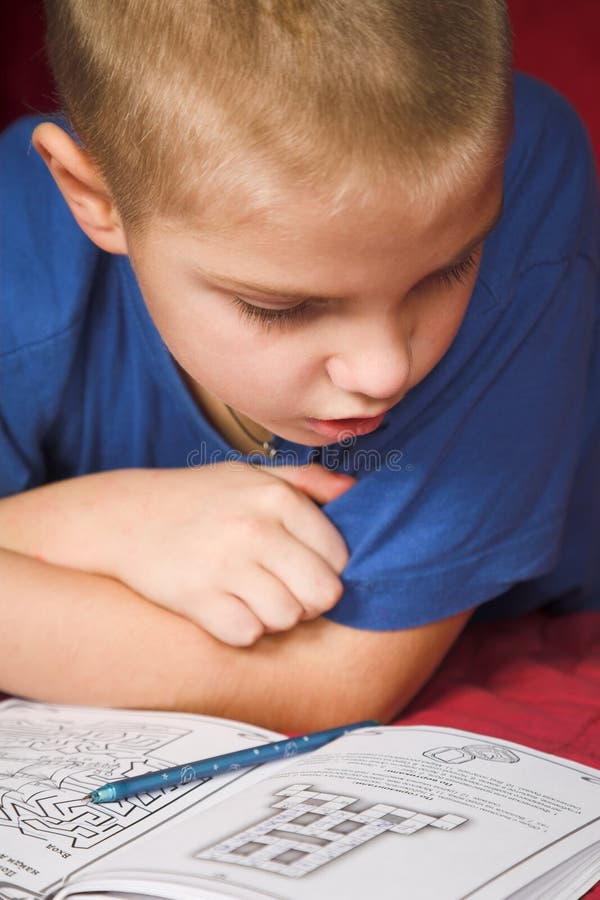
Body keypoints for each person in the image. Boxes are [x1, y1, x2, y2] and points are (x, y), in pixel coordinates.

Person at [0, 1, 598, 732]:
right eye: (282, 308)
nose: (382, 370)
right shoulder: (18, 243)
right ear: (96, 200)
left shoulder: (517, 162)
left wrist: (33, 538)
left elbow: (337, 678)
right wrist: (97, 523)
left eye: (450, 270)